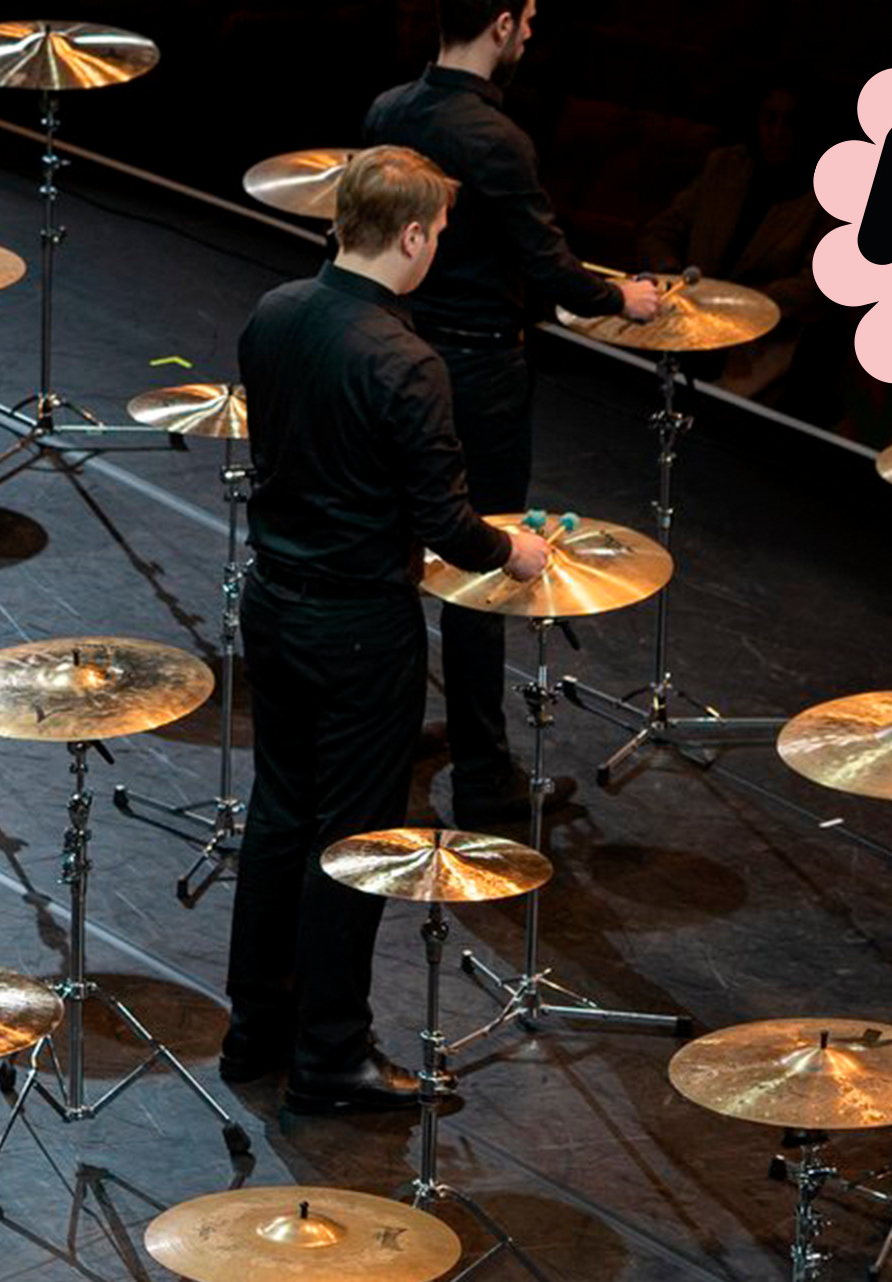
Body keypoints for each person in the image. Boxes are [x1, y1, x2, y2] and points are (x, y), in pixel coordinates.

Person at [224, 146, 550, 1111]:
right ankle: (332, 1060)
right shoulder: (408, 362)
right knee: (354, 839)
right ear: (410, 234)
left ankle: (256, 1031)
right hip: (360, 626)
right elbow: (445, 527)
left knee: (280, 817)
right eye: (438, 234)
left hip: (275, 607)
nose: (439, 248)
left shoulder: (274, 312)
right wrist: (514, 552)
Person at [363, 0, 661, 828]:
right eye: (528, 18)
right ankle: (487, 786)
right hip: (480, 369)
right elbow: (549, 267)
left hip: (398, 345)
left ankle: (398, 736)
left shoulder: (390, 110)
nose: (532, 34)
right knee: (486, 562)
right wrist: (621, 298)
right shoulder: (499, 140)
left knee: (401, 544)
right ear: (501, 24)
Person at [638, 86, 839, 407]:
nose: (777, 133)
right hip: (684, 325)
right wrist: (672, 278)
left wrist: (737, 306)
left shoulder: (824, 195)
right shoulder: (726, 166)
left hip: (757, 352)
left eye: (789, 123)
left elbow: (818, 283)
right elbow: (662, 230)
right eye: (769, 119)